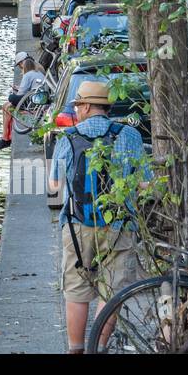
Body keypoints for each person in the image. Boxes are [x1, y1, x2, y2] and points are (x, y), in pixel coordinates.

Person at [48, 80, 148, 353]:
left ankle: (76, 349)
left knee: (77, 291)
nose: (77, 110)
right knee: (112, 290)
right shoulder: (129, 135)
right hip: (119, 225)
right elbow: (143, 184)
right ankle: (99, 347)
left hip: (78, 225)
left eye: (78, 105)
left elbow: (54, 186)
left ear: (88, 106)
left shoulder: (68, 137)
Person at [0, 52, 45, 150]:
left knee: (8, 103)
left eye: (20, 64)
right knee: (6, 105)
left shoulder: (28, 74)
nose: (20, 67)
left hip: (32, 102)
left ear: (23, 63)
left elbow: (21, 93)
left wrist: (16, 90)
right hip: (39, 100)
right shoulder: (39, 70)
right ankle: (6, 138)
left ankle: (5, 138)